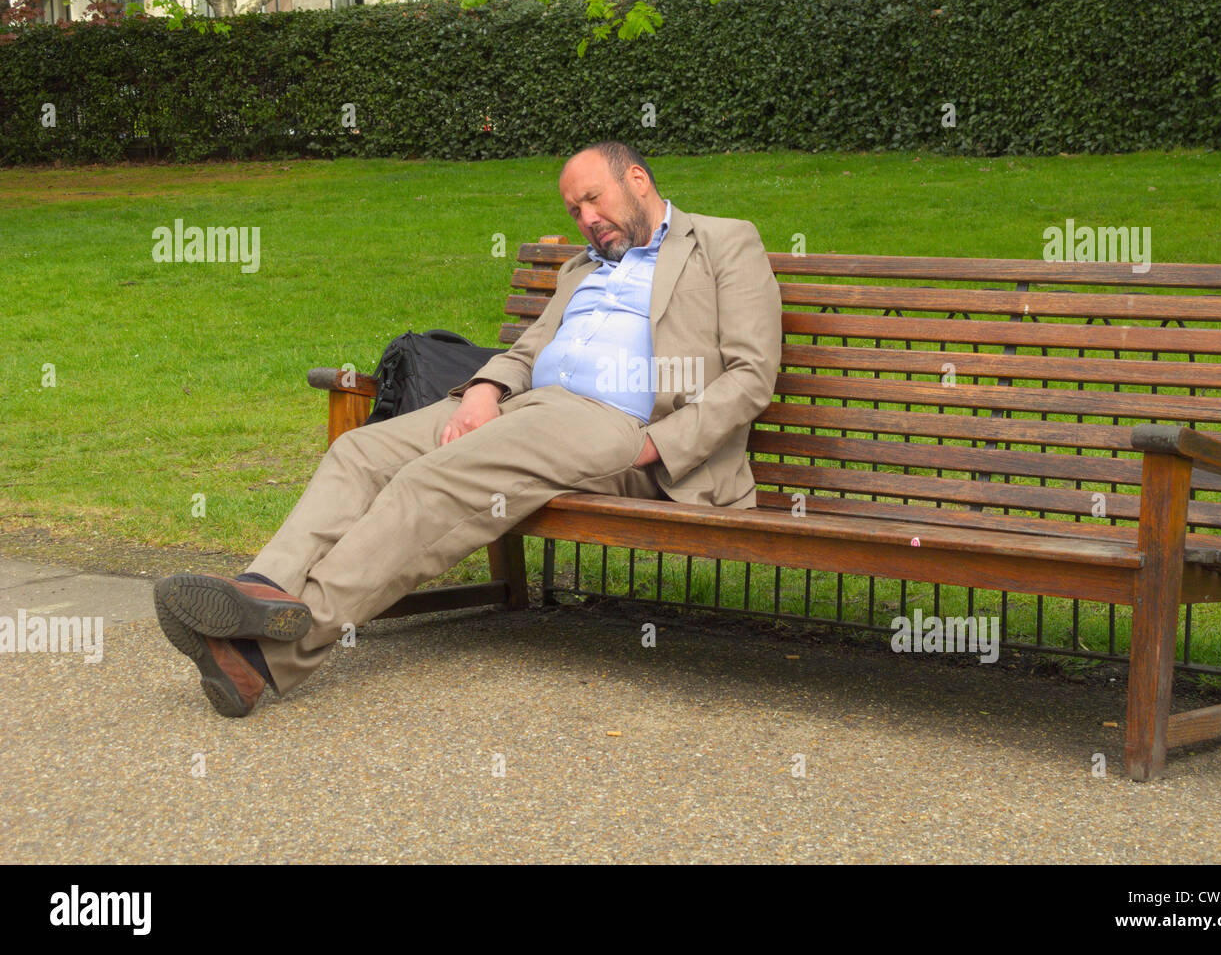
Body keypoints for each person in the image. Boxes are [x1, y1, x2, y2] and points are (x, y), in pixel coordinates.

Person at [155, 141, 783, 716]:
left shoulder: (724, 243)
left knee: (430, 481)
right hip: (532, 408)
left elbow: (752, 375)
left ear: (638, 179)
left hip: (626, 429)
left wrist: (658, 444)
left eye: (593, 199)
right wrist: (483, 391)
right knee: (361, 451)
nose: (586, 219)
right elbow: (528, 349)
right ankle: (261, 590)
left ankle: (267, 650)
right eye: (574, 210)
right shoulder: (581, 270)